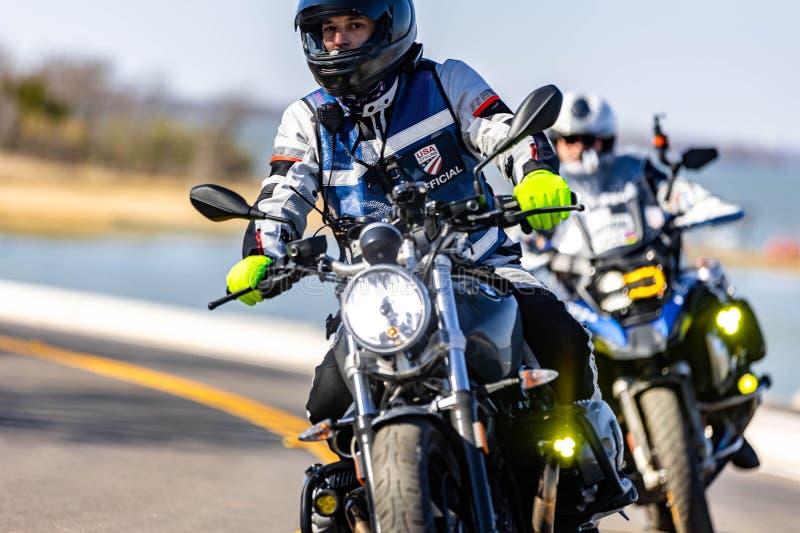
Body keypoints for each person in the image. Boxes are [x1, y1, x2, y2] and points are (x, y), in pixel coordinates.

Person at [225, 0, 600, 423]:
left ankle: (597, 447)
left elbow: (503, 131)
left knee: (560, 337)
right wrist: (263, 253)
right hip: (378, 293)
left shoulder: (445, 81)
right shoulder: (305, 118)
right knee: (327, 408)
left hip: (480, 268)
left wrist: (535, 176)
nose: (338, 40)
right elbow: (283, 191)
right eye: (328, 29)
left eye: (354, 24)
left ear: (390, 27)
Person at [530, 91, 759, 470]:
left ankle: (728, 405)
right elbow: (524, 237)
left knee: (713, 292)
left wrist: (707, 208)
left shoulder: (637, 170)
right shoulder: (546, 188)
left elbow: (682, 194)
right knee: (548, 338)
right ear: (556, 142)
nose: (581, 148)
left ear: (608, 140)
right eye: (571, 139)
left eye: (592, 140)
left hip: (654, 283)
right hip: (591, 297)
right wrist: (520, 249)